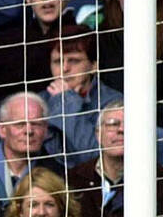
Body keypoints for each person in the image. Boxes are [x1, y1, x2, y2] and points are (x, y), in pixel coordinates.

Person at [41, 25, 121, 168]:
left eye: (74, 61)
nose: (65, 68)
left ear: (93, 65)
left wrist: (67, 102)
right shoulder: (38, 103)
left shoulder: (115, 103)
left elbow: (96, 156)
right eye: (58, 61)